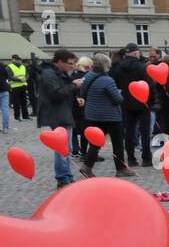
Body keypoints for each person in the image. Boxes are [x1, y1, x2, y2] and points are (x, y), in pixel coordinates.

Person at [77, 53, 130, 177]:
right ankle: (121, 168)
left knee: (95, 143)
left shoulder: (88, 76)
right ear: (106, 65)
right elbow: (118, 99)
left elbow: (82, 92)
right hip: (110, 117)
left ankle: (87, 167)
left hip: (92, 115)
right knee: (117, 143)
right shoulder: (107, 80)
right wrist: (119, 93)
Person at [36, 48, 79, 188]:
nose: (72, 66)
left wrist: (77, 98)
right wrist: (73, 86)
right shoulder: (49, 74)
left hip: (63, 113)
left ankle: (67, 175)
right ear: (60, 62)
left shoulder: (59, 73)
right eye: (70, 63)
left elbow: (63, 92)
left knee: (67, 148)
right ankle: (62, 179)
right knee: (62, 148)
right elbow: (56, 94)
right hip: (57, 115)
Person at [111, 43, 152, 167]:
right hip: (143, 102)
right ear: (135, 53)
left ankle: (131, 158)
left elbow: (115, 86)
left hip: (126, 103)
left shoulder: (118, 68)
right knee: (145, 132)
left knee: (129, 131)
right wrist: (152, 101)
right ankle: (146, 158)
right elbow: (150, 85)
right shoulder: (142, 67)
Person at [6, 55, 29, 121]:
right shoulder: (9, 67)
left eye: (20, 60)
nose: (19, 61)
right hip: (15, 86)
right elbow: (9, 76)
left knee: (24, 102)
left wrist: (26, 78)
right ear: (14, 60)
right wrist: (20, 80)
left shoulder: (23, 66)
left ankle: (25, 116)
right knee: (16, 103)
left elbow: (27, 74)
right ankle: (17, 116)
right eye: (17, 60)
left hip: (23, 85)